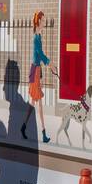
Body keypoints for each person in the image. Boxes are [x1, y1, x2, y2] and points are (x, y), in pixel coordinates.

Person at [23, 10, 51, 144]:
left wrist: (46, 65)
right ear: (39, 21)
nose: (45, 22)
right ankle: (43, 133)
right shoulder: (36, 37)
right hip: (35, 71)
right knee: (37, 102)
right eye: (44, 20)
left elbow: (40, 55)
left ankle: (24, 127)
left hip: (37, 70)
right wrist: (50, 64)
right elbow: (39, 54)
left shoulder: (38, 36)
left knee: (34, 102)